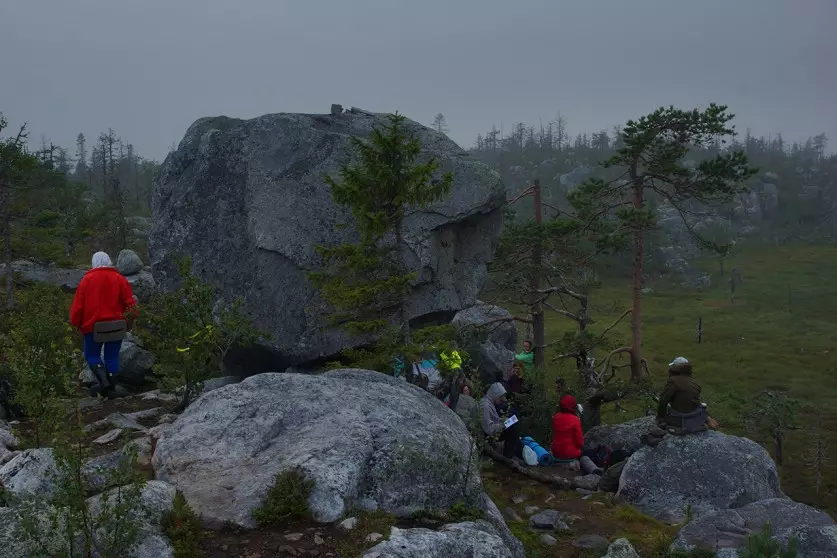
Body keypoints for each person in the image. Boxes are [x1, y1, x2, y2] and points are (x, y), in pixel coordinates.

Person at [70, 252, 137, 396]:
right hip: (117, 326)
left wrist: (75, 324)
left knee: (91, 355)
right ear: (109, 261)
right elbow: (130, 304)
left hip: (93, 328)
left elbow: (78, 307)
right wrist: (130, 322)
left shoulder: (86, 280)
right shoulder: (119, 278)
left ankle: (103, 383)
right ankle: (112, 389)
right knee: (111, 357)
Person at [551, 394, 604, 474]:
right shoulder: (575, 420)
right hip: (569, 454)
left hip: (556, 452)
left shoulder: (556, 417)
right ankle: (594, 470)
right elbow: (580, 442)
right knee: (587, 453)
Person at [481, 382, 522, 459]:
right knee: (513, 430)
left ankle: (511, 455)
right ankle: (509, 457)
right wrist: (503, 425)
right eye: (501, 398)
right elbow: (489, 429)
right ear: (496, 395)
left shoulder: (488, 403)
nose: (501, 401)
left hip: (488, 433)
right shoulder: (485, 406)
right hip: (486, 436)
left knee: (513, 423)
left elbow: (491, 420)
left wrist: (502, 420)